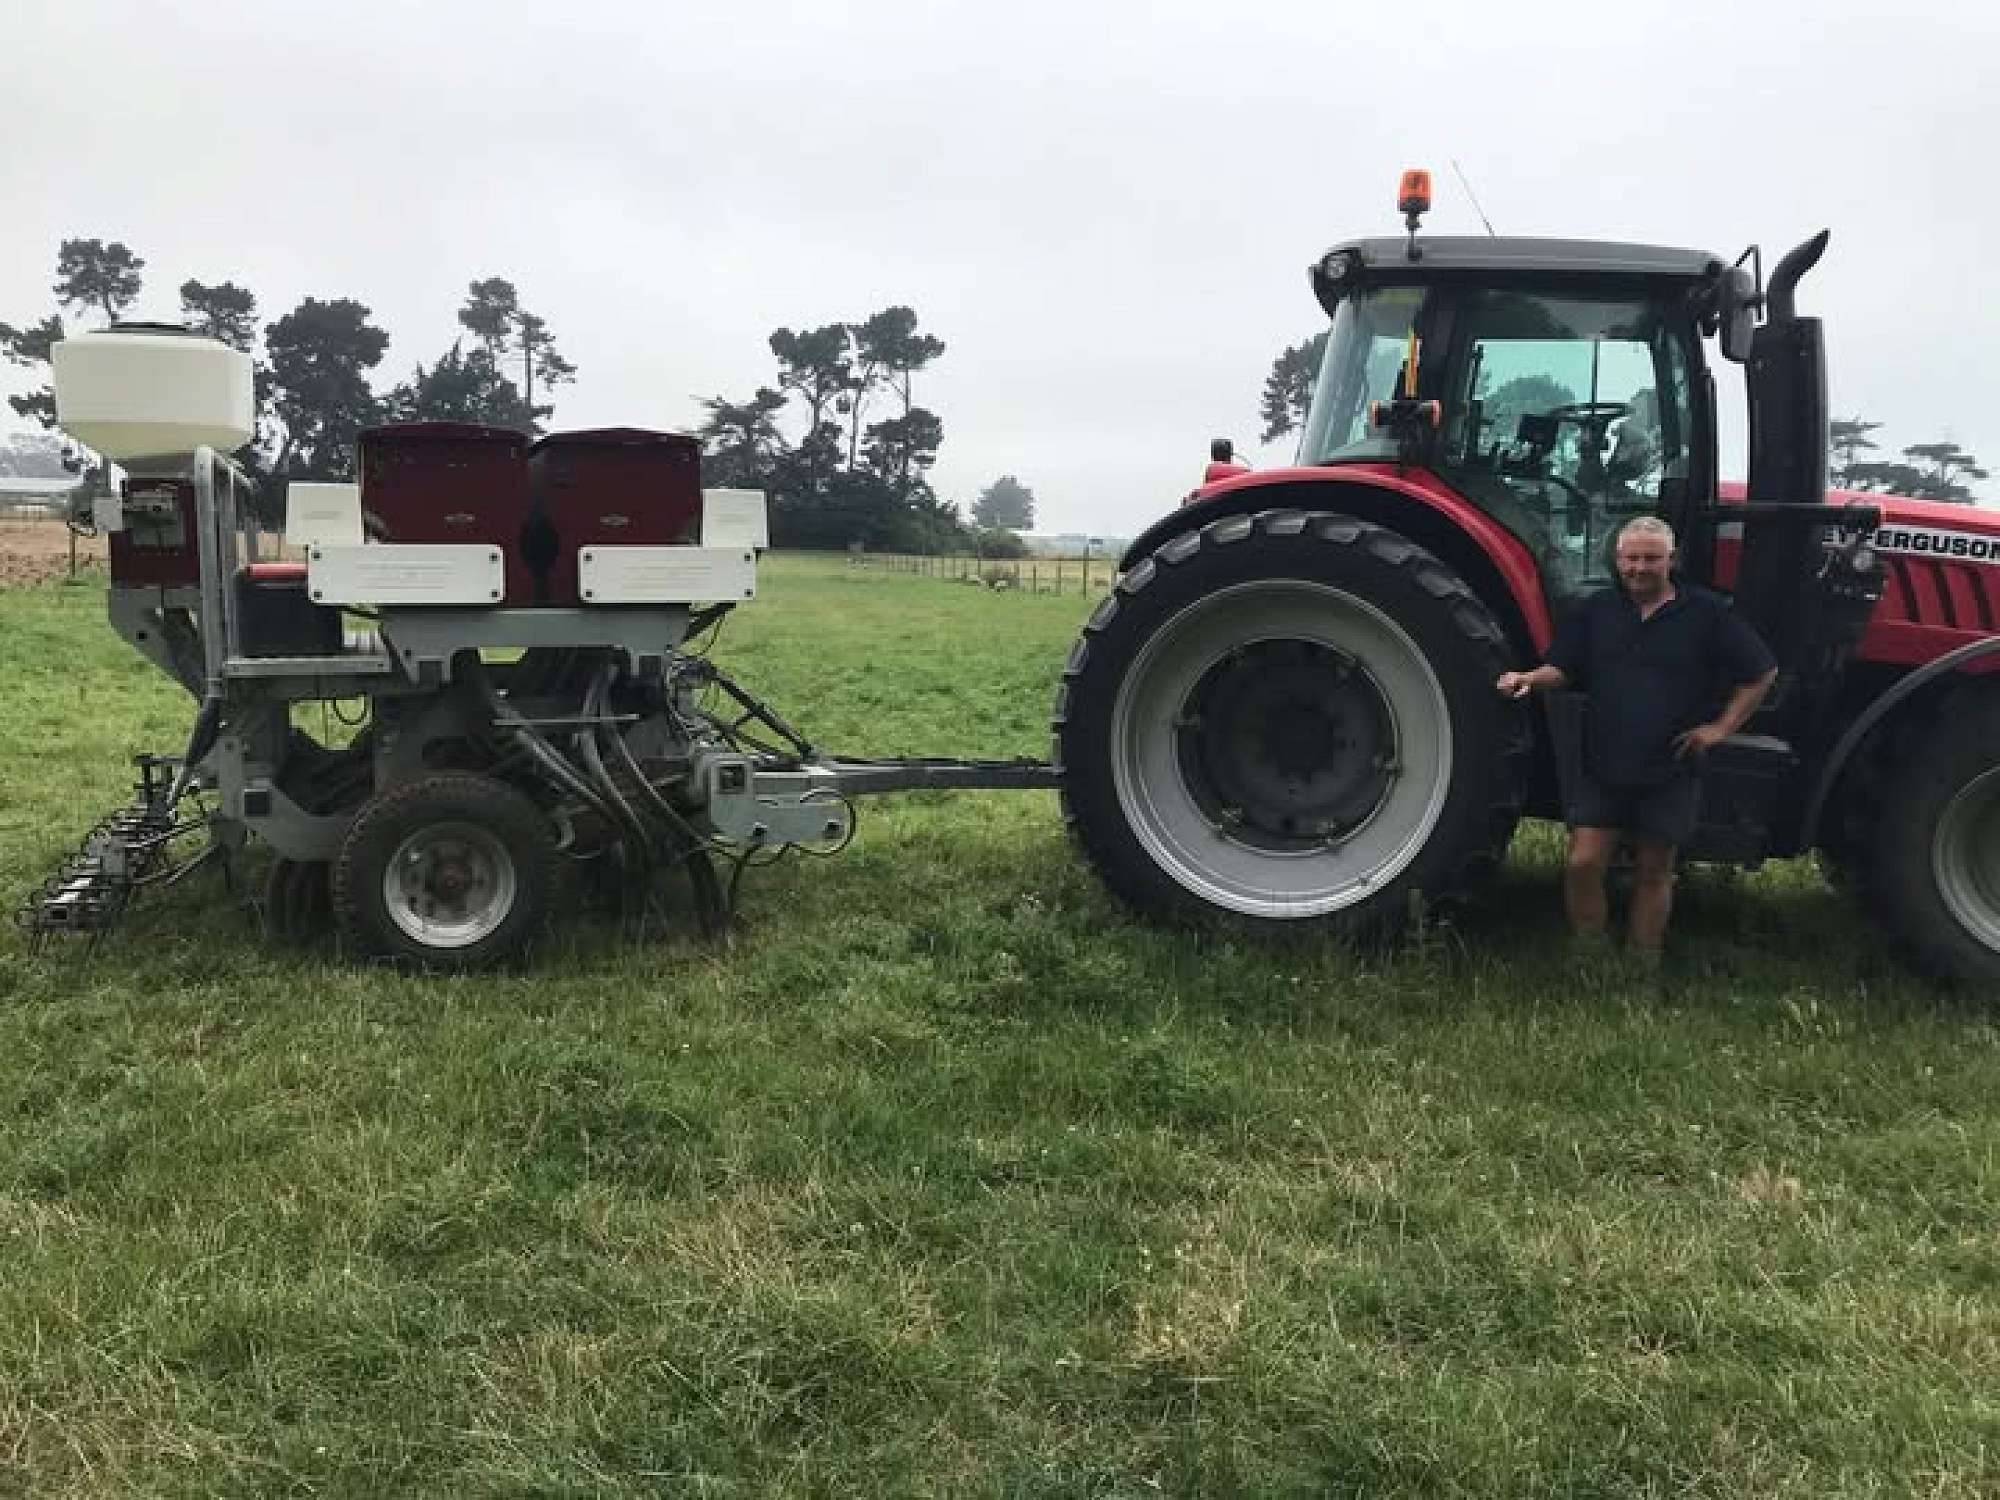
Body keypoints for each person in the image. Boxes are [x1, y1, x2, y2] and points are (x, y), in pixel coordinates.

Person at [1495, 516, 1778, 965]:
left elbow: (1761, 672)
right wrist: (1528, 678)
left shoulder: (1706, 614)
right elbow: (1564, 667)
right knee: (1583, 863)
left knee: (1655, 870)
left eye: (1650, 559)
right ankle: (1591, 955)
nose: (1640, 568)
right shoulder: (1597, 610)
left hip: (1671, 764)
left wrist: (1721, 729)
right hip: (1604, 762)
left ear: (1671, 560)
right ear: (1617, 560)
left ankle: (1641, 964)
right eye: (1631, 558)